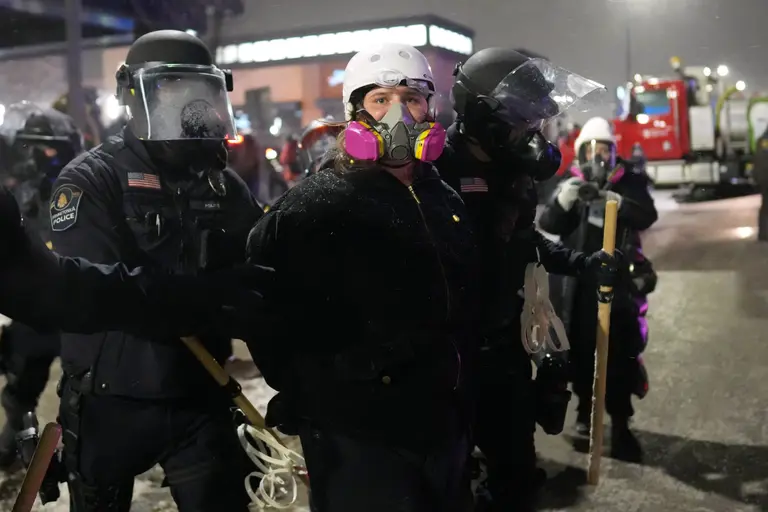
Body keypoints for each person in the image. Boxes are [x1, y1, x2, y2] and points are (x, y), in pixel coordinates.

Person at [244, 42, 477, 512]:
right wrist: (312, 392)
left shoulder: (442, 196)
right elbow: (262, 305)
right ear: (356, 114)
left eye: (411, 98)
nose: (399, 113)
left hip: (441, 417)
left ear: (430, 108)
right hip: (358, 436)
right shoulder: (315, 204)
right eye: (381, 99)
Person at [48, 30, 263, 511]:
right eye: (170, 86)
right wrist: (211, 294)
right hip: (111, 403)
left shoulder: (222, 183)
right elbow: (101, 290)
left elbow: (258, 269)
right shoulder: (90, 179)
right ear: (134, 95)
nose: (188, 101)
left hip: (198, 394)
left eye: (198, 88)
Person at [436, 47, 610, 511]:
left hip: (501, 344)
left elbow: (522, 240)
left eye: (535, 122)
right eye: (521, 120)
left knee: (517, 476)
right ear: (481, 113)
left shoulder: (514, 171)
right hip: (445, 355)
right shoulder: (435, 168)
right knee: (445, 480)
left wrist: (579, 262)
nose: (530, 132)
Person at [539, 116, 658, 463]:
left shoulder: (629, 179)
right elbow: (549, 225)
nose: (597, 156)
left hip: (618, 283)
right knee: (579, 349)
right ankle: (584, 413)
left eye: (604, 149)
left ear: (614, 151)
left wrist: (618, 202)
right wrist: (562, 201)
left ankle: (621, 423)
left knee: (621, 351)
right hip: (579, 285)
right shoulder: (569, 181)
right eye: (590, 149)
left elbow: (647, 215)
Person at [0, 103, 84, 468]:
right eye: (29, 147)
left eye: (43, 148)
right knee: (19, 391)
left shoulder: (83, 185)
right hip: (33, 310)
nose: (35, 157)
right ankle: (17, 450)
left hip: (72, 306)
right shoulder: (23, 191)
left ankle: (77, 456)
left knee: (81, 394)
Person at [229, 132, 288, 205]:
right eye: (244, 150)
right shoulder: (231, 179)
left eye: (249, 149)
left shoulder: (274, 180)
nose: (245, 155)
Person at [753, 126, 768, 241]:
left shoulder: (761, 140)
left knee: (765, 205)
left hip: (763, 177)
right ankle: (764, 234)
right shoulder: (764, 141)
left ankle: (763, 233)